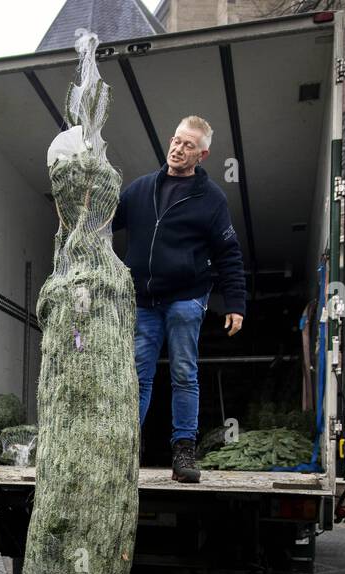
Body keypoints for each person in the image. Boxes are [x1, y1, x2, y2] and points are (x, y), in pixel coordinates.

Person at [112, 115, 247, 483]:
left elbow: (229, 254)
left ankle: (184, 452)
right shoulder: (140, 189)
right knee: (138, 375)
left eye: (188, 145)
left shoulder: (211, 199)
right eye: (175, 140)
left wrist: (235, 303)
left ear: (201, 154)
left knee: (184, 372)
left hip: (187, 297)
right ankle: (126, 450)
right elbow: (105, 220)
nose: (178, 148)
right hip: (143, 300)